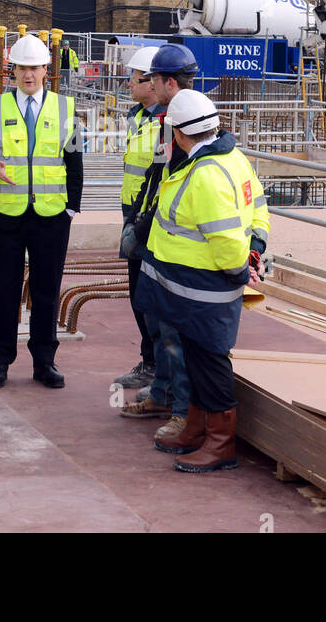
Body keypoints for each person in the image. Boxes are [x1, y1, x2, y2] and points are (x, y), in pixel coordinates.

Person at [132, 89, 269, 473]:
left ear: (177, 134)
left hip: (204, 290)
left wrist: (242, 267)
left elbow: (225, 240)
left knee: (210, 363)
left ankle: (220, 444)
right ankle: (195, 429)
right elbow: (258, 206)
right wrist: (256, 246)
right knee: (195, 358)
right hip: (189, 290)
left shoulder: (205, 175)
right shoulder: (233, 157)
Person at [0, 33, 83, 389]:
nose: (28, 75)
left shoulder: (67, 108)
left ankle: (44, 361)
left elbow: (75, 161)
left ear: (46, 70)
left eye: (34, 68)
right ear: (12, 71)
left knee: (47, 290)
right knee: (4, 290)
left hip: (51, 217)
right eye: (21, 69)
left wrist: (71, 210)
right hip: (7, 214)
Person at [120, 43, 198, 443]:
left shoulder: (185, 124)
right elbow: (155, 179)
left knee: (177, 330)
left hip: (177, 244)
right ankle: (164, 394)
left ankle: (182, 413)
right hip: (155, 234)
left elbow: (178, 185)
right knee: (157, 317)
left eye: (152, 79)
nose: (147, 85)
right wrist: (139, 219)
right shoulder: (162, 120)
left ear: (168, 82)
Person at [112, 46, 164, 393]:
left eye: (133, 78)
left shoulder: (168, 121)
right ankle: (150, 361)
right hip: (134, 214)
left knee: (150, 295)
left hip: (153, 220)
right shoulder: (140, 117)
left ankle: (157, 366)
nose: (129, 83)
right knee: (137, 293)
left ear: (151, 81)